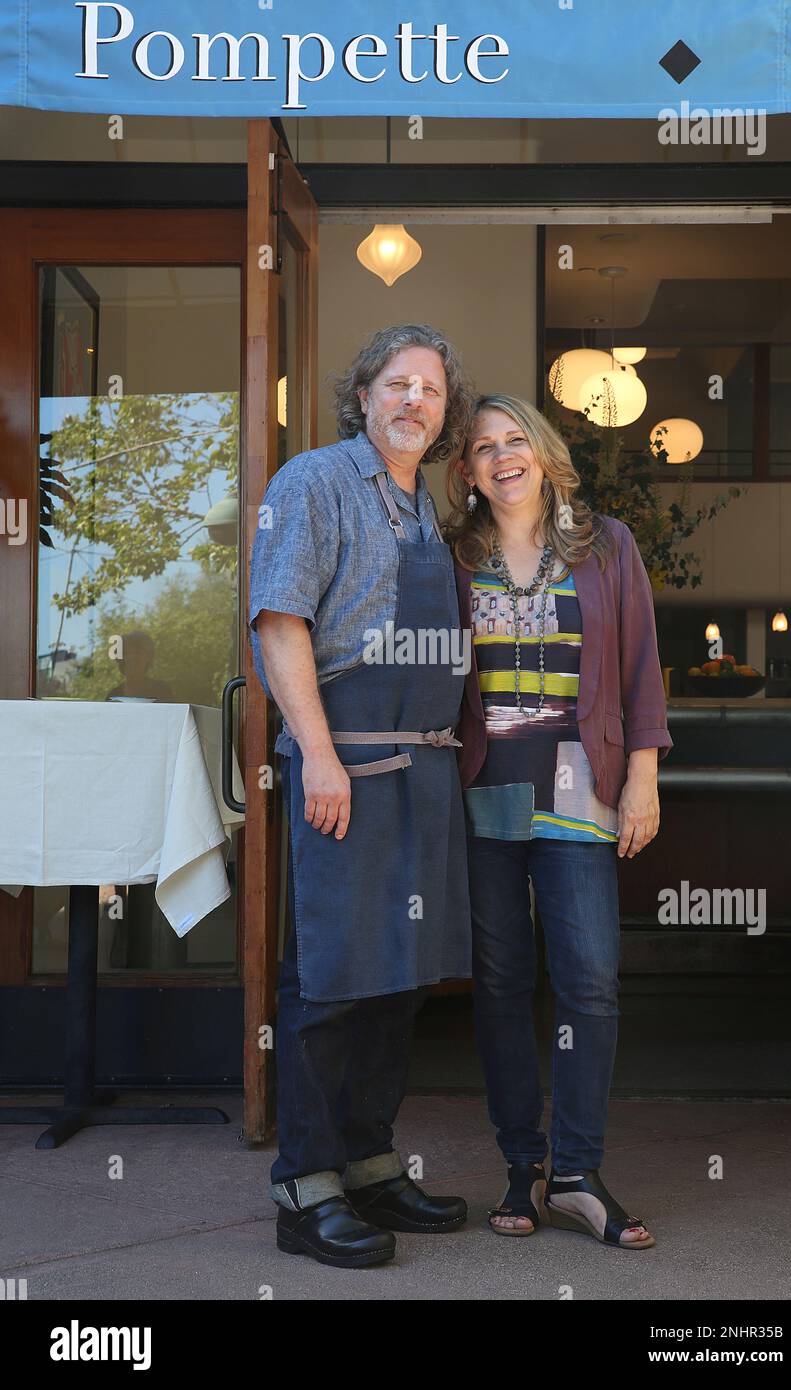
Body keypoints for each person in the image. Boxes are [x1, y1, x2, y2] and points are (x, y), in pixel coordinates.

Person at [248, 324, 476, 1268]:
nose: (412, 400)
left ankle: (371, 1165)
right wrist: (319, 754)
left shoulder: (429, 509)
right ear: (363, 396)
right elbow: (279, 621)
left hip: (420, 768)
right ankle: (306, 1189)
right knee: (330, 978)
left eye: (429, 388)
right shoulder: (314, 482)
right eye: (395, 383)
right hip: (343, 761)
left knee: (398, 976)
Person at [447, 393, 673, 1250]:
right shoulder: (453, 555)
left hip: (582, 783)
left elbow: (642, 667)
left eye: (515, 442)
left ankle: (576, 1173)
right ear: (465, 470)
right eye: (481, 448)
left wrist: (643, 777)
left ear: (542, 454)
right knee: (502, 983)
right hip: (484, 788)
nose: (501, 457)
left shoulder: (606, 544)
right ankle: (519, 1164)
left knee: (589, 980)